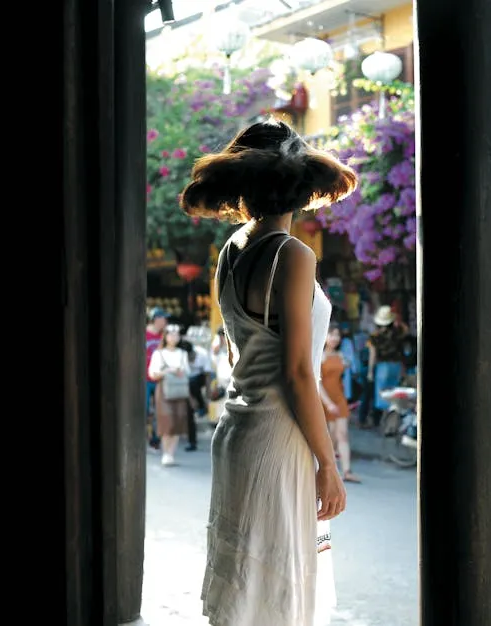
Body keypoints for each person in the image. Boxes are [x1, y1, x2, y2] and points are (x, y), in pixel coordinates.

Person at [180, 118, 357, 626]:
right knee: (280, 582)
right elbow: (301, 373)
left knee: (249, 583)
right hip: (279, 437)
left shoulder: (232, 250)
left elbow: (237, 351)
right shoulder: (293, 255)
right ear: (298, 185)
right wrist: (328, 464)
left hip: (238, 430)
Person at [320, 325, 361, 483]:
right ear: (324, 335)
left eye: (337, 335)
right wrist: (328, 403)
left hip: (339, 398)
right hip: (325, 400)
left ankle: (347, 471)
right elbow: (318, 384)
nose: (334, 338)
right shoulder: (319, 356)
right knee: (330, 437)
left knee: (342, 434)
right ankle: (330, 470)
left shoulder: (341, 356)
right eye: (331, 334)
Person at [148, 324, 191, 466]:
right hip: (164, 390)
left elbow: (188, 372)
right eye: (171, 334)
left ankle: (171, 453)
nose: (174, 337)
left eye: (176, 334)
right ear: (165, 336)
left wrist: (180, 371)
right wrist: (167, 371)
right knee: (166, 422)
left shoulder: (182, 353)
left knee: (178, 422)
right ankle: (165, 453)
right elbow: (152, 373)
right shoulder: (158, 353)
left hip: (179, 390)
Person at [366, 305, 408, 428]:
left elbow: (372, 355)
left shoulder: (374, 336)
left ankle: (384, 423)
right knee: (394, 395)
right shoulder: (397, 332)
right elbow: (406, 329)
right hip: (396, 366)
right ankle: (391, 424)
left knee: (382, 395)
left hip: (382, 367)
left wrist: (370, 371)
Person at [145, 307, 169, 450]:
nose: (165, 321)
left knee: (159, 410)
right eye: (163, 318)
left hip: (160, 379)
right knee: (145, 410)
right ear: (156, 319)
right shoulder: (143, 333)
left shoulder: (164, 336)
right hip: (145, 379)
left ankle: (155, 438)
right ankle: (146, 435)